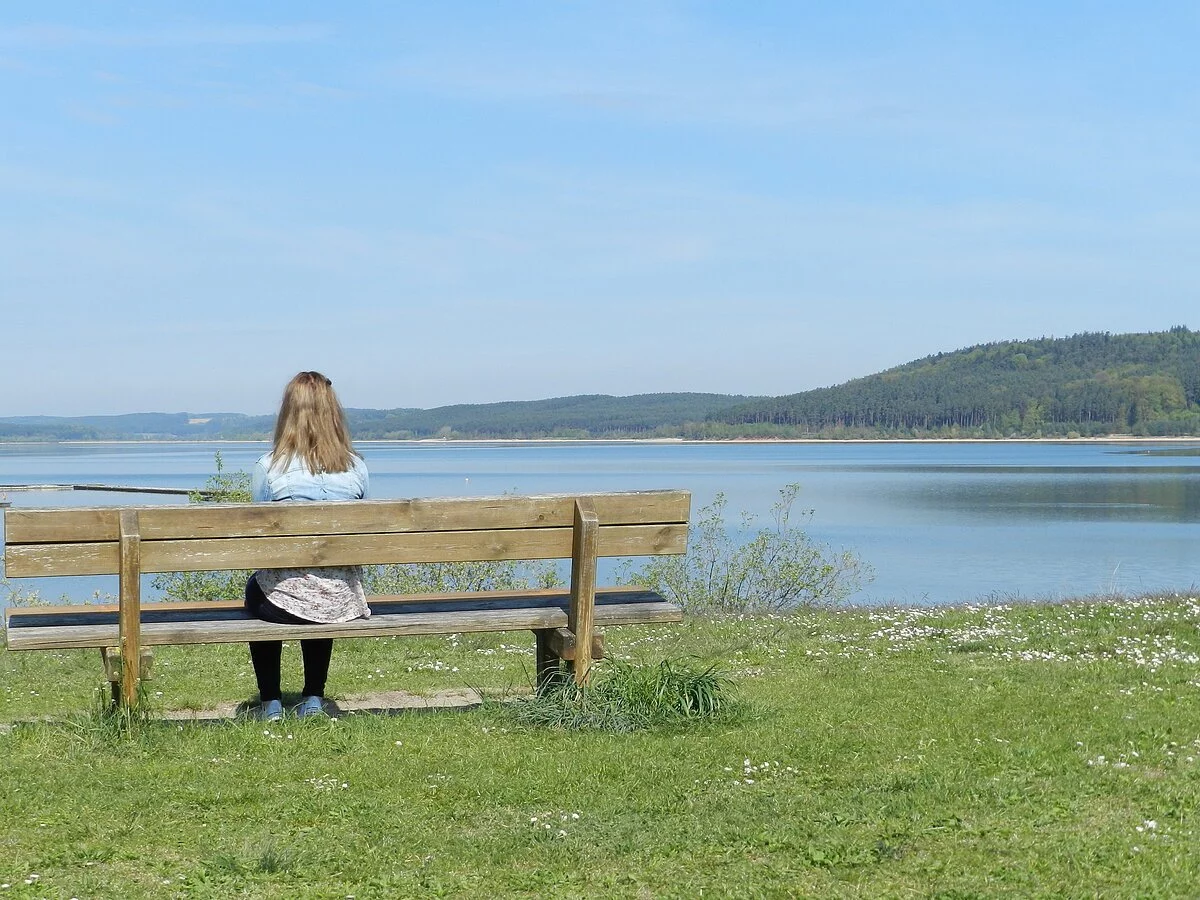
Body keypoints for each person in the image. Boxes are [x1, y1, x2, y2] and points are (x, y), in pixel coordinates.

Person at [245, 371, 370, 721]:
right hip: (341, 601)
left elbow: (258, 541)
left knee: (262, 587)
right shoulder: (356, 467)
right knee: (324, 583)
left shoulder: (269, 467)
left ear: (288, 413)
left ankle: (271, 702)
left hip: (281, 606)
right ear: (333, 413)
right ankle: (313, 698)